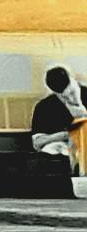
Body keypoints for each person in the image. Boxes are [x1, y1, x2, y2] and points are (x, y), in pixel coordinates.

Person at [26, 65, 84, 199]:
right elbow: (37, 142)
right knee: (56, 150)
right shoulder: (45, 107)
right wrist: (64, 135)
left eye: (70, 90)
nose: (68, 95)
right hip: (61, 151)